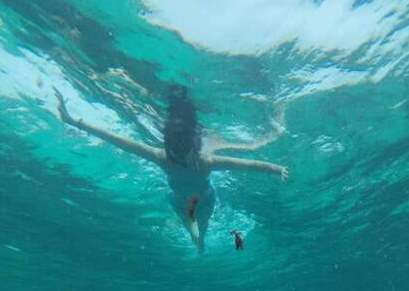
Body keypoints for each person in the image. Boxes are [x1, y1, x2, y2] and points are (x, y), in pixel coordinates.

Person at [54, 84, 288, 252]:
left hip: (206, 201)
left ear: (194, 148)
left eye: (184, 153)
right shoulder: (162, 157)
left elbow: (249, 165)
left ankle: (201, 244)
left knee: (202, 227)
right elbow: (118, 140)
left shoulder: (207, 162)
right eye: (174, 152)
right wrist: (73, 120)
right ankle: (197, 242)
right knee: (190, 227)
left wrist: (276, 168)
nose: (179, 158)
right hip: (178, 201)